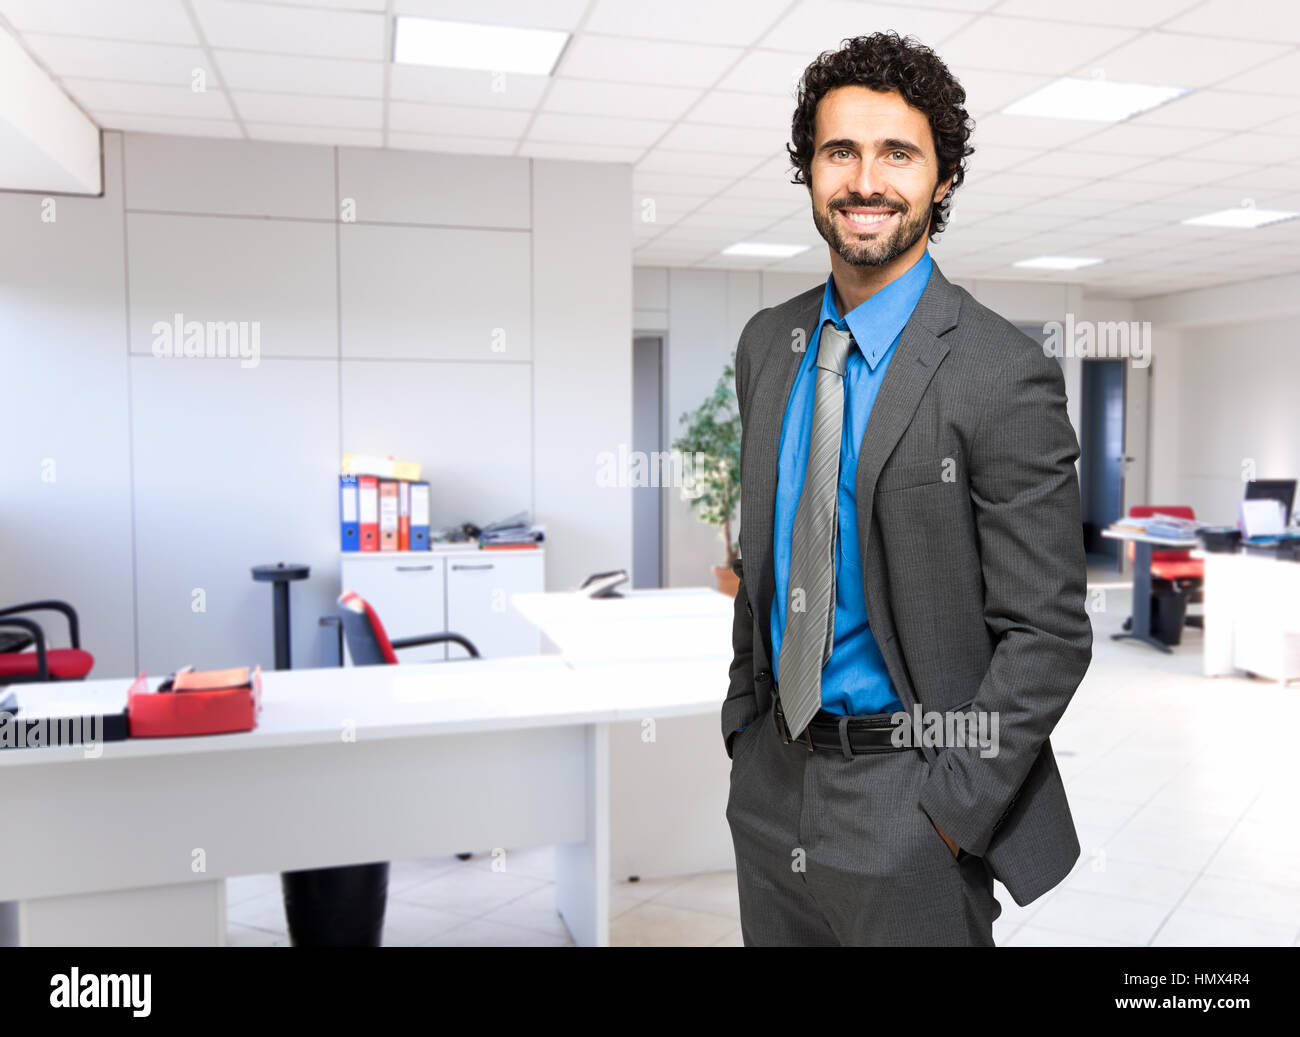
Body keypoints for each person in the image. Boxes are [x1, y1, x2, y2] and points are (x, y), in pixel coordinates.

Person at [722, 31, 1093, 946]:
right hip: (772, 789)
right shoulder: (770, 346)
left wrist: (948, 811)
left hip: (912, 799)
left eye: (899, 152)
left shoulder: (1000, 372)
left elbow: (1047, 630)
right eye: (839, 150)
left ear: (944, 178)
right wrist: (744, 726)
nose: (865, 178)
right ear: (808, 170)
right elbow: (769, 547)